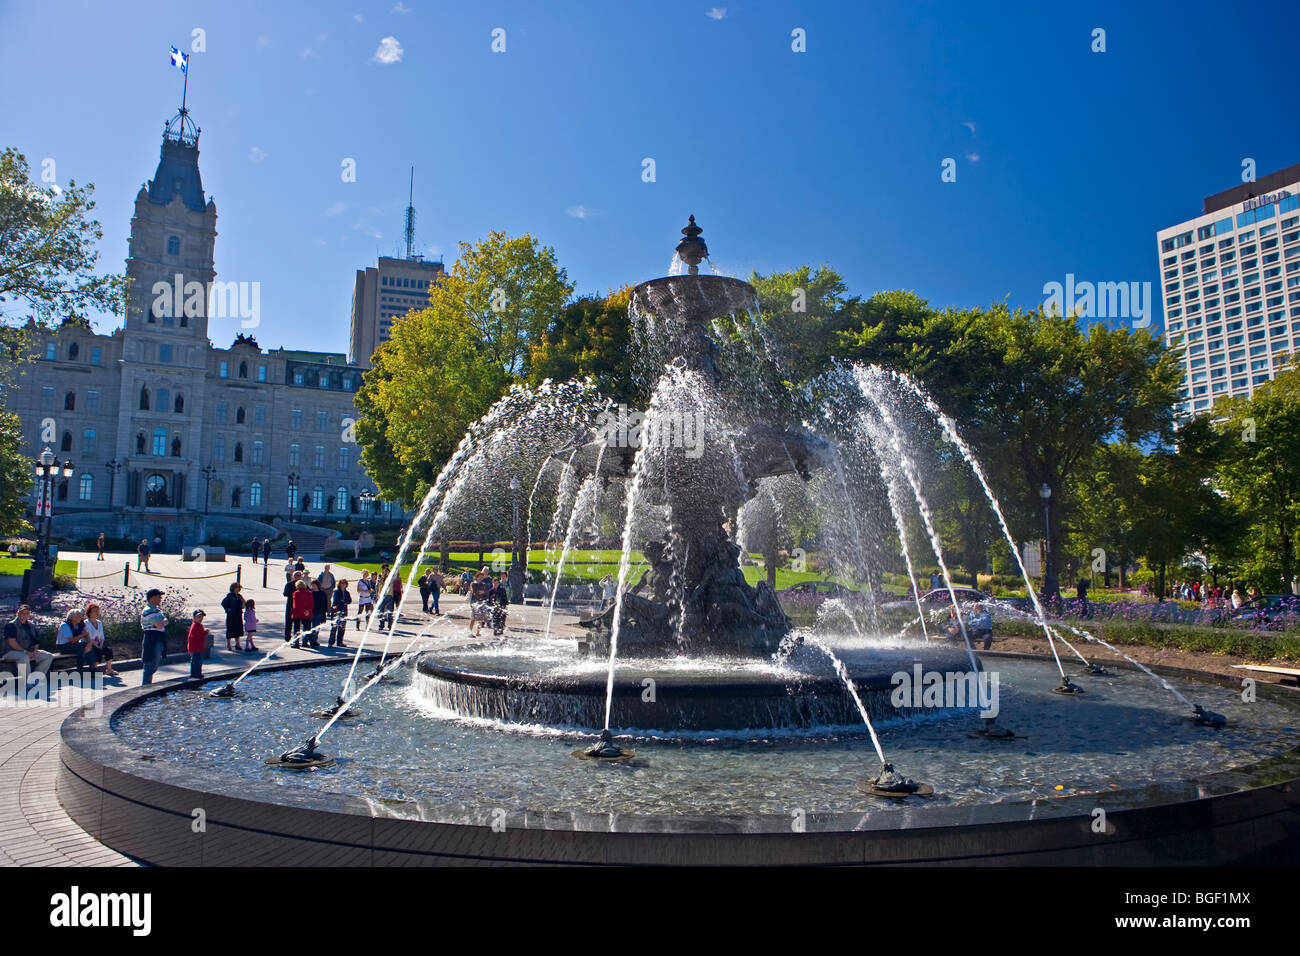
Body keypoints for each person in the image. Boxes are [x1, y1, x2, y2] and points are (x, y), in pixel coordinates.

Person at [3, 605, 53, 682]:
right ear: (18, 613)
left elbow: (36, 641)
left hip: (29, 651)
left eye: (27, 613)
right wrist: (25, 652)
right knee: (24, 657)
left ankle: (36, 679)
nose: (25, 615)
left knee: (48, 656)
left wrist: (35, 650)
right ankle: (27, 683)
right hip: (10, 652)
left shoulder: (31, 625)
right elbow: (11, 642)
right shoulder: (11, 625)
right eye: (23, 613)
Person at [140, 588, 168, 685]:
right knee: (150, 663)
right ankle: (145, 686)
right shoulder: (148, 611)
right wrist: (162, 622)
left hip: (158, 637)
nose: (161, 599)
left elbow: (165, 621)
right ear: (152, 598)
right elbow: (160, 624)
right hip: (152, 639)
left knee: (155, 663)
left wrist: (162, 622)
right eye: (159, 597)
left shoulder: (155, 609)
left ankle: (148, 685)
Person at [83, 602, 117, 679]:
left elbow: (101, 635)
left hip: (98, 643)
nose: (97, 613)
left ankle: (109, 669)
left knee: (108, 650)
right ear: (90, 612)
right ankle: (93, 670)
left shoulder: (99, 622)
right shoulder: (86, 623)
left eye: (98, 611)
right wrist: (97, 645)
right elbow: (88, 637)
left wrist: (101, 644)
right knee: (97, 651)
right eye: (95, 611)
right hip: (89, 643)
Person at [55, 608, 89, 678]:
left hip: (73, 645)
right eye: (78, 616)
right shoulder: (65, 625)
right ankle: (80, 671)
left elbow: (86, 635)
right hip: (64, 646)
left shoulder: (79, 625)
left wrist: (89, 642)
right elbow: (72, 640)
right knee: (80, 648)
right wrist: (83, 635)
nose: (81, 617)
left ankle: (92, 667)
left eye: (81, 616)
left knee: (87, 646)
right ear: (72, 617)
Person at [290, 579, 315, 648]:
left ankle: (296, 643)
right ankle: (311, 643)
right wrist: (307, 611)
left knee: (296, 629)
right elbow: (312, 604)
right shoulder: (309, 593)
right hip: (307, 614)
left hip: (297, 613)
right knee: (308, 629)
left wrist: (303, 611)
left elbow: (296, 605)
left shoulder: (295, 593)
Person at [186, 610, 211, 679]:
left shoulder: (197, 625)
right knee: (197, 661)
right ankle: (196, 674)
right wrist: (206, 632)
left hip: (197, 647)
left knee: (197, 660)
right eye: (199, 617)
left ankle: (196, 673)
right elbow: (198, 635)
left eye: (202, 617)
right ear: (194, 617)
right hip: (195, 648)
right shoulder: (196, 626)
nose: (201, 619)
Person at [221, 582, 245, 652]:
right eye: (237, 587)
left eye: (239, 588)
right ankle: (229, 645)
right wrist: (228, 609)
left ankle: (237, 644)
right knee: (230, 630)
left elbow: (243, 605)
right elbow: (223, 603)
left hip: (238, 615)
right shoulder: (230, 596)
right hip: (231, 615)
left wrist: (243, 600)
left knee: (238, 630)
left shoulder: (239, 596)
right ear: (233, 588)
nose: (238, 589)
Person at [329, 579, 351, 648]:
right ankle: (331, 642)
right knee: (334, 627)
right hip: (337, 611)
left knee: (342, 627)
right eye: (342, 583)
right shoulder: (336, 591)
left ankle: (340, 642)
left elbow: (349, 601)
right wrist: (342, 601)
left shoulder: (347, 592)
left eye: (344, 583)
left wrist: (344, 601)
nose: (343, 585)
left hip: (344, 611)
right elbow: (335, 601)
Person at [282, 571, 302, 642]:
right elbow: (285, 593)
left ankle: (296, 639)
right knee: (288, 623)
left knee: (297, 624)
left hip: (299, 607)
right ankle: (287, 638)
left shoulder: (302, 584)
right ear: (294, 576)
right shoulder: (289, 584)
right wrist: (295, 594)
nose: (298, 576)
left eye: (300, 575)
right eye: (297, 575)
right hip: (290, 606)